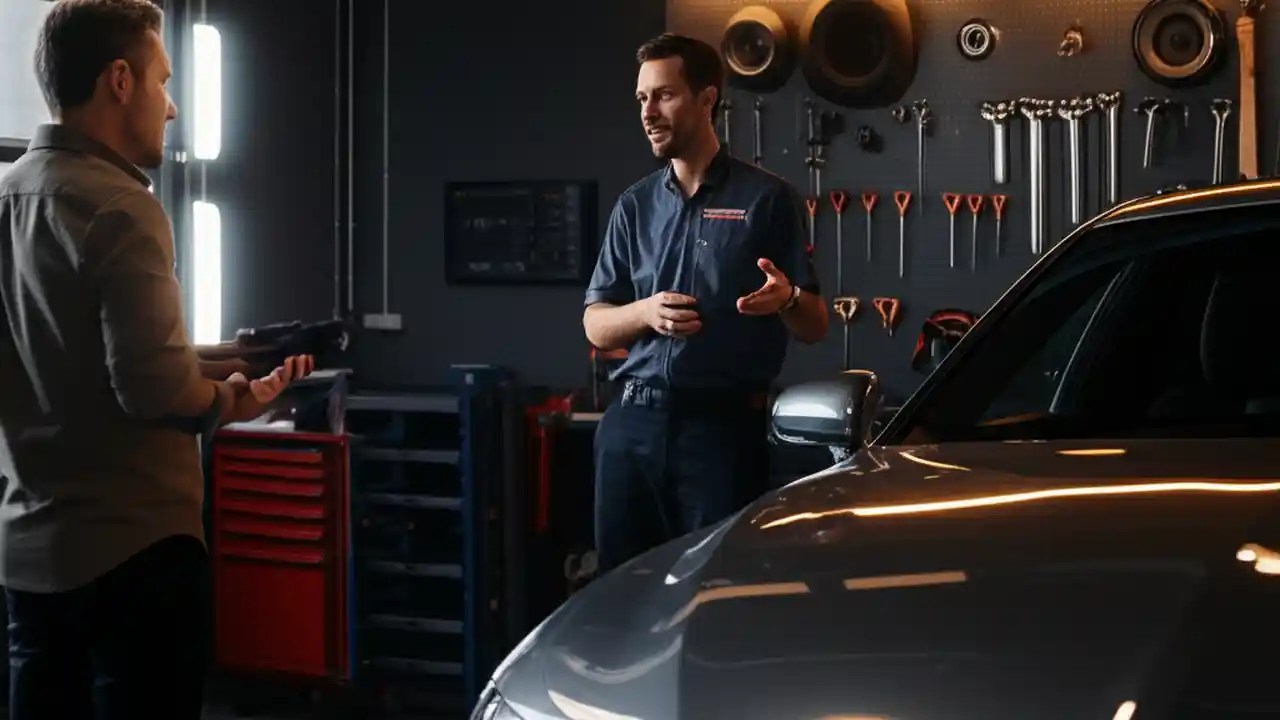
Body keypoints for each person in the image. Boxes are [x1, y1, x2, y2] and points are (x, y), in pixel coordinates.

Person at [0, 1, 313, 717]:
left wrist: (216, 364)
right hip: (133, 552)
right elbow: (152, 389)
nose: (171, 107)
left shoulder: (8, 198)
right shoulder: (121, 207)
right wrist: (235, 399)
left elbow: (67, 356)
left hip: (30, 551)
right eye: (163, 81)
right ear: (120, 81)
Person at [582, 33, 829, 572]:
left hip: (720, 434)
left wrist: (787, 297)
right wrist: (645, 312)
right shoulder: (634, 206)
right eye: (642, 98)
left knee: (715, 586)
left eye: (664, 95)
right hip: (632, 426)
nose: (648, 112)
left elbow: (815, 325)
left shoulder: (768, 199)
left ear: (706, 99)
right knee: (620, 586)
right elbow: (596, 325)